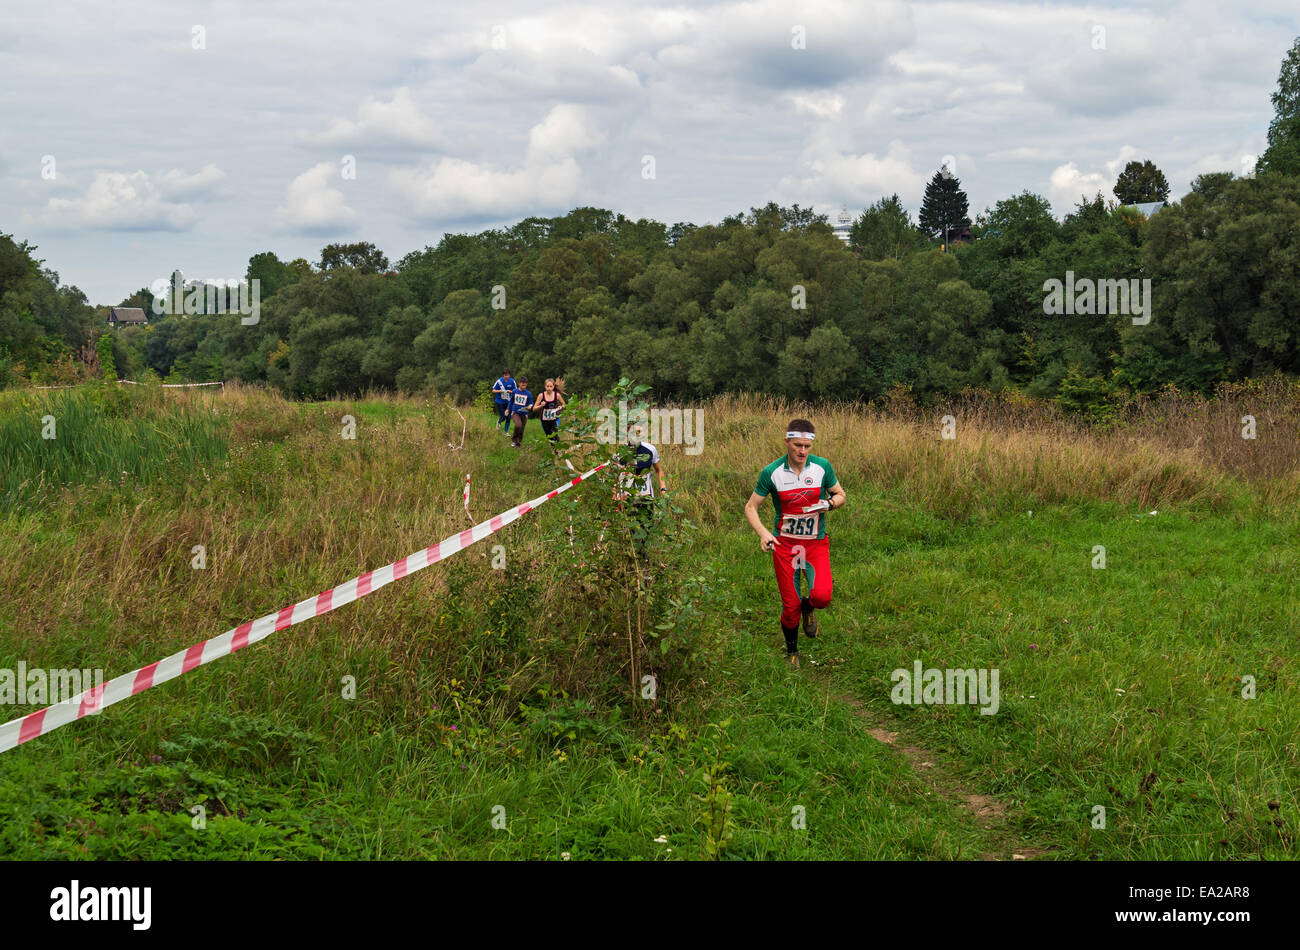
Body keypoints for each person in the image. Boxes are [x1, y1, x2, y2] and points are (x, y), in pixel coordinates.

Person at [744, 419, 846, 670]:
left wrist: (829, 504)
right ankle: (792, 651)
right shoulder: (771, 472)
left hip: (815, 544)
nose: (802, 451)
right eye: (797, 445)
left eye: (807, 446)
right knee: (790, 607)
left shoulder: (822, 467)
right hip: (785, 546)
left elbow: (840, 494)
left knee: (822, 596)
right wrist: (764, 534)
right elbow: (751, 507)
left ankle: (808, 607)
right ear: (787, 442)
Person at [532, 378, 567, 444]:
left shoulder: (557, 395)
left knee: (554, 434)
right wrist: (541, 405)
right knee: (550, 437)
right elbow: (534, 409)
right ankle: (554, 449)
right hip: (545, 420)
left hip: (555, 419)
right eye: (547, 386)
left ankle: (558, 448)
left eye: (551, 386)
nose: (549, 388)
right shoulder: (541, 395)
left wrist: (561, 407)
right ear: (545, 386)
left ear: (553, 387)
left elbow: (564, 404)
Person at [509, 376, 534, 448]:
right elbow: (511, 401)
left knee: (521, 429)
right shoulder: (514, 391)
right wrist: (508, 409)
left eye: (525, 383)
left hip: (524, 413)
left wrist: (530, 406)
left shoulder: (528, 393)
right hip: (515, 412)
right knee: (518, 425)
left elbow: (531, 403)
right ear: (519, 383)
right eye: (522, 383)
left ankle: (519, 442)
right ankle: (514, 440)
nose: (524, 385)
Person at [491, 369, 517, 435]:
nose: (506, 376)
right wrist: (500, 391)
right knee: (503, 416)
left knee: (508, 417)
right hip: (500, 401)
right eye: (505, 375)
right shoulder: (499, 381)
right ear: (503, 375)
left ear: (509, 375)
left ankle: (506, 432)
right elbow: (493, 390)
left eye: (508, 375)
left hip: (508, 401)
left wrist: (510, 391)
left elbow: (516, 391)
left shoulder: (512, 381)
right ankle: (499, 422)